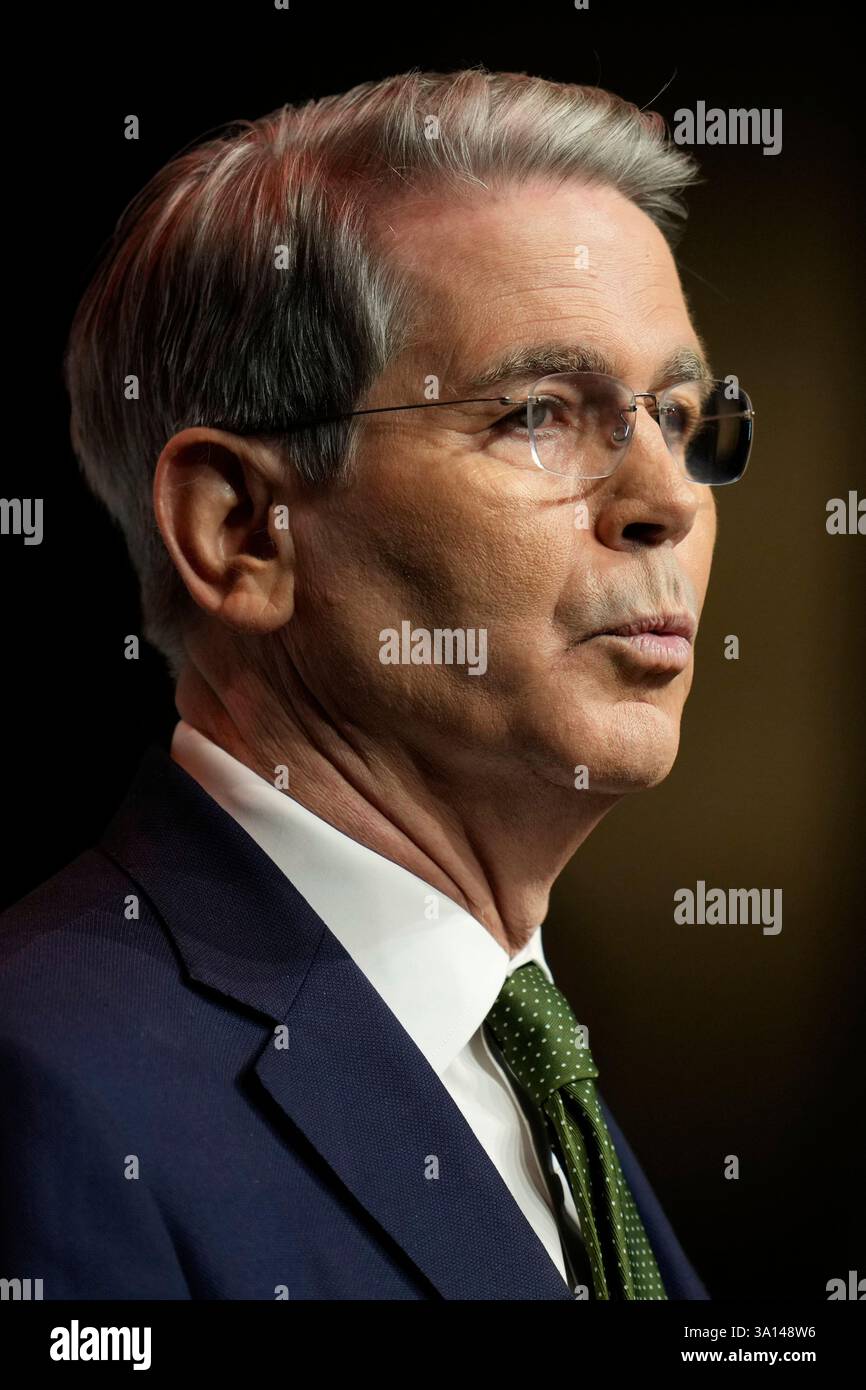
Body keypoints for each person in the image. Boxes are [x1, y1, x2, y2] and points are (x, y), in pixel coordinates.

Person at [0, 68, 754, 1299]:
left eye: (675, 416)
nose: (667, 497)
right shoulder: (48, 1091)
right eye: (538, 413)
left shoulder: (526, 1058)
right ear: (242, 530)